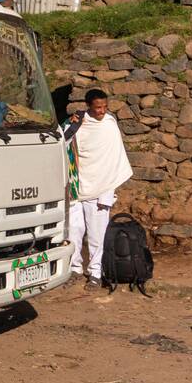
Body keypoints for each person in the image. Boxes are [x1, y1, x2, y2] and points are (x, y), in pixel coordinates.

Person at [65, 89, 132, 288]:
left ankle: (95, 272)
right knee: (73, 231)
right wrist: (72, 125)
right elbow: (62, 141)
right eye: (97, 108)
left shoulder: (110, 125)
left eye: (104, 107)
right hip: (76, 185)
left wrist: (108, 189)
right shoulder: (77, 122)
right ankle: (74, 269)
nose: (102, 111)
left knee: (97, 234)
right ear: (89, 106)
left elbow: (112, 159)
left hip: (101, 185)